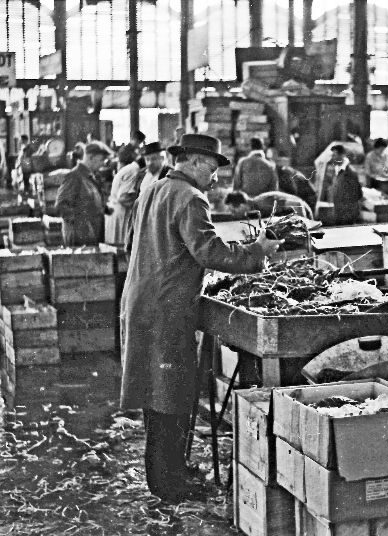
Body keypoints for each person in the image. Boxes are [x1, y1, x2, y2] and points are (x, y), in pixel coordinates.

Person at [120, 134, 281, 503]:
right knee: (172, 394)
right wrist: (257, 251)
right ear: (191, 161)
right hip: (167, 309)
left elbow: (147, 244)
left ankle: (165, 473)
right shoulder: (191, 198)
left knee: (156, 395)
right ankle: (170, 484)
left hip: (142, 302)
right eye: (212, 168)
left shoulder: (152, 189)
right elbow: (208, 251)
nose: (215, 178)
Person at [55, 142, 112, 246]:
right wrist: (81, 225)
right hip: (80, 238)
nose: (103, 164)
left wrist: (105, 209)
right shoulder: (74, 176)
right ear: (91, 157)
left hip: (92, 234)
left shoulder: (90, 176)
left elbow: (88, 202)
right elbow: (61, 204)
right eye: (101, 160)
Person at [105, 146, 143, 246]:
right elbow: (124, 198)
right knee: (120, 252)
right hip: (120, 213)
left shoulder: (128, 169)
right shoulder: (133, 170)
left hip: (115, 211)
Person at [326, 144, 362, 225]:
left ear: (341, 155)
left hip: (347, 214)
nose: (332, 158)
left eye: (334, 155)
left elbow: (357, 194)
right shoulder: (336, 169)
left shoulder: (351, 172)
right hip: (339, 212)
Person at [224, 190, 313, 220]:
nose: (233, 214)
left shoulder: (263, 203)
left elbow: (297, 204)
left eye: (234, 210)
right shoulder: (255, 208)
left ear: (242, 204)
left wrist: (305, 228)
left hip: (304, 212)